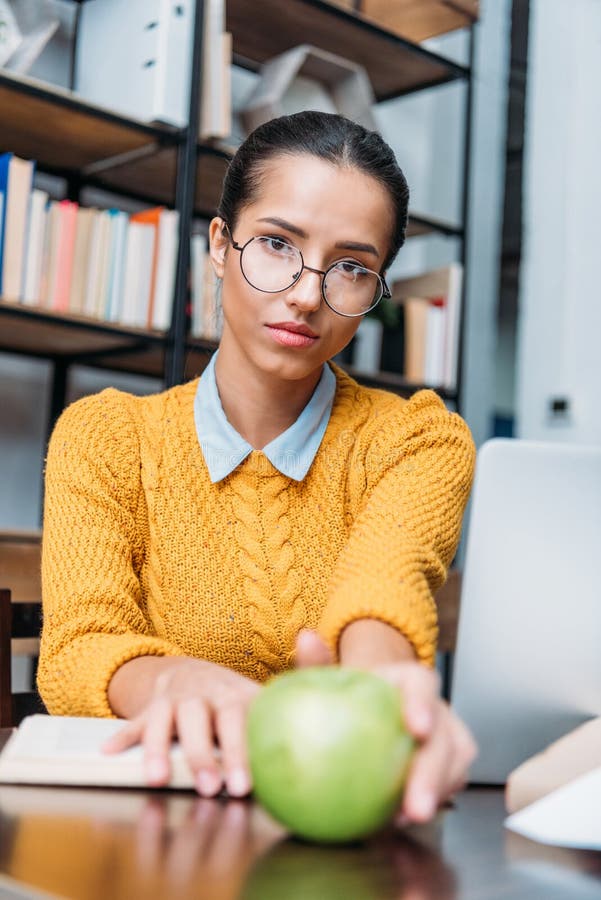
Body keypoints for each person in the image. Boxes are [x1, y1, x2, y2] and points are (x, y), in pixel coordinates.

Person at [38, 110, 477, 828]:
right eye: (276, 244)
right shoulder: (107, 433)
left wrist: (383, 681)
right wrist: (168, 678)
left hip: (336, 811)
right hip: (153, 822)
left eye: (351, 267)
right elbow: (78, 645)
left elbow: (382, 588)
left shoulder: (418, 437)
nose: (307, 294)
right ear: (219, 243)